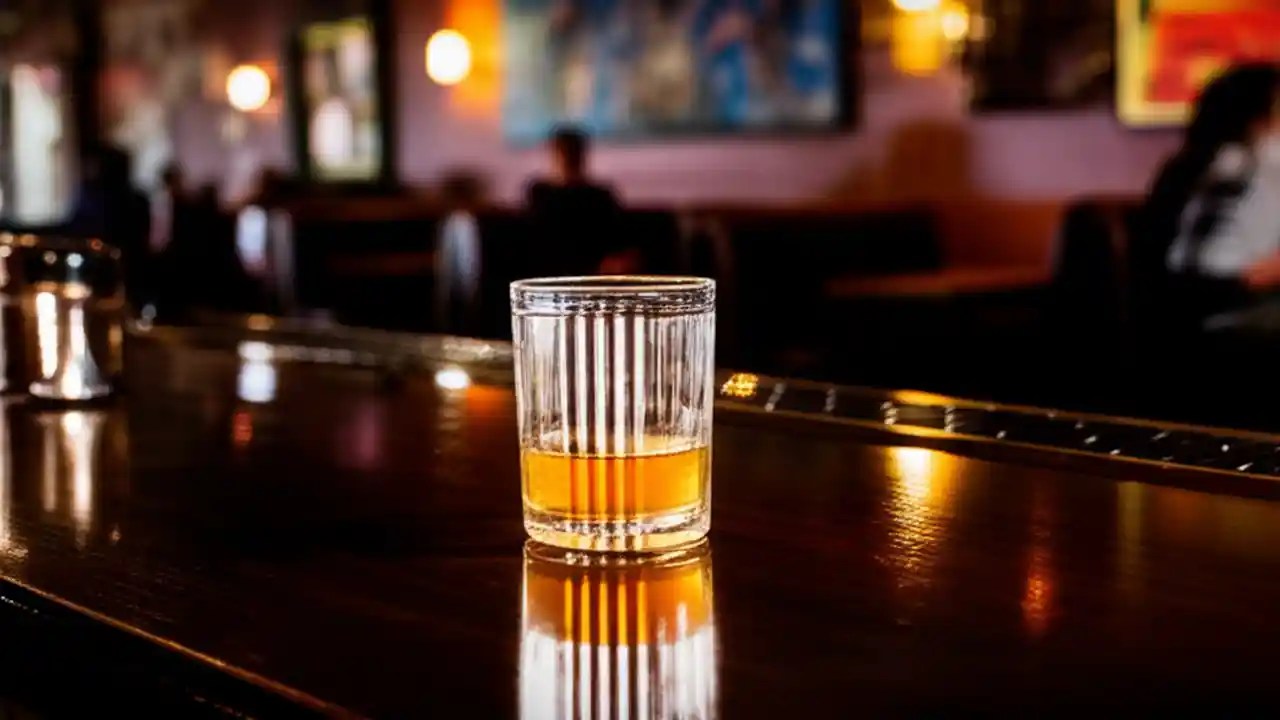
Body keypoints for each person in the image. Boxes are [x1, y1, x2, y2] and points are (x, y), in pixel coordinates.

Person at [1143, 63, 1280, 329]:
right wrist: (1250, 279)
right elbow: (1181, 284)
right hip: (1217, 320)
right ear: (1255, 123)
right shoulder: (1213, 177)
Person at [525, 126, 639, 275]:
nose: (568, 158)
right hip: (551, 270)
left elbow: (620, 239)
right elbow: (534, 239)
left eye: (572, 153)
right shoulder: (540, 193)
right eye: (564, 152)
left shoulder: (599, 195)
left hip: (593, 273)